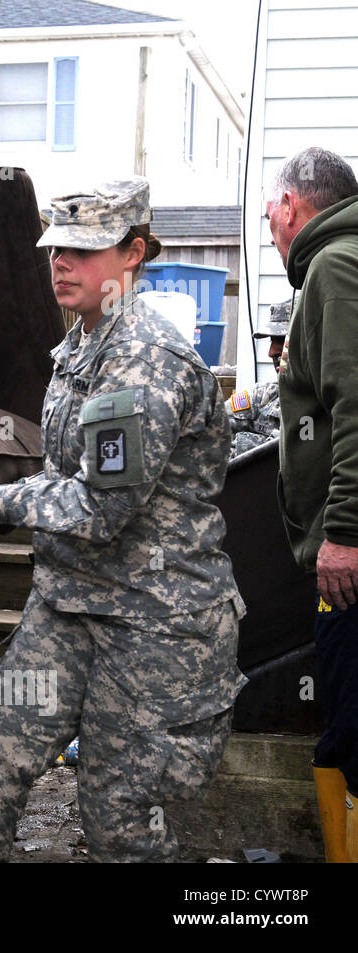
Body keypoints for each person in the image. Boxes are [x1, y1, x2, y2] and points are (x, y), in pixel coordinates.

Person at [0, 177, 246, 862]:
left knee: (118, 820)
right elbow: (66, 473)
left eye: (82, 248)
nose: (61, 263)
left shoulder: (144, 359)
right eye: (54, 248)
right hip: (67, 602)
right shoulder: (80, 347)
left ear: (133, 253)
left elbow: (99, 508)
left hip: (150, 621)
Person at [270, 146, 358, 863]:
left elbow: (356, 405)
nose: (269, 220)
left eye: (272, 205)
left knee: (350, 734)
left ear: (294, 205)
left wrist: (345, 533)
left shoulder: (333, 268)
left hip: (353, 562)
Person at [226, 301, 289, 459]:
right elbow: (212, 424)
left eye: (283, 340)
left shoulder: (334, 404)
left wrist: (246, 444)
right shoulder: (264, 396)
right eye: (271, 341)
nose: (272, 352)